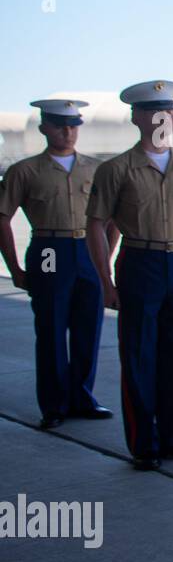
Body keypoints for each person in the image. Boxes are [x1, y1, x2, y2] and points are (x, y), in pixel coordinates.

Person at [87, 81, 173, 471]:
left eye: (168, 111)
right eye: (153, 112)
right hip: (140, 263)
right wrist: (105, 281)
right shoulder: (115, 169)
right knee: (139, 353)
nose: (162, 118)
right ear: (136, 118)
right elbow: (96, 225)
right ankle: (145, 443)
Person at [0, 99, 114, 429]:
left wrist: (103, 258)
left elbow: (114, 218)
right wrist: (14, 268)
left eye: (73, 125)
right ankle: (54, 405)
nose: (68, 131)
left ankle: (82, 398)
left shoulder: (96, 169)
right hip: (50, 250)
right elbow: (3, 218)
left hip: (87, 250)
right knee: (50, 328)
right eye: (60, 125)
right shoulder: (25, 170)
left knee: (87, 328)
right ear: (44, 129)